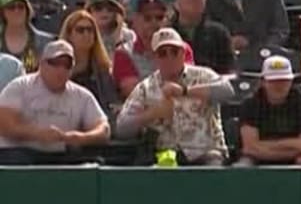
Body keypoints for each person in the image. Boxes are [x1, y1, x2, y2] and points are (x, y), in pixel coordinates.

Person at [115, 27, 232, 165]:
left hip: (206, 151)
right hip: (166, 156)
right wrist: (153, 113)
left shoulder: (203, 76)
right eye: (163, 53)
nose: (169, 58)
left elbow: (227, 91)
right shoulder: (146, 88)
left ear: (183, 53)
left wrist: (185, 91)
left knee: (212, 164)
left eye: (174, 52)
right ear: (155, 58)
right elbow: (121, 128)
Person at [0, 40, 110, 164]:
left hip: (61, 155)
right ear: (41, 64)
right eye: (55, 63)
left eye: (66, 65)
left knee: (93, 163)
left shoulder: (81, 95)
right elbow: (4, 126)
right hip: (20, 153)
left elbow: (103, 129)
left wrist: (79, 138)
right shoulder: (20, 87)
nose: (61, 70)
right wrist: (37, 134)